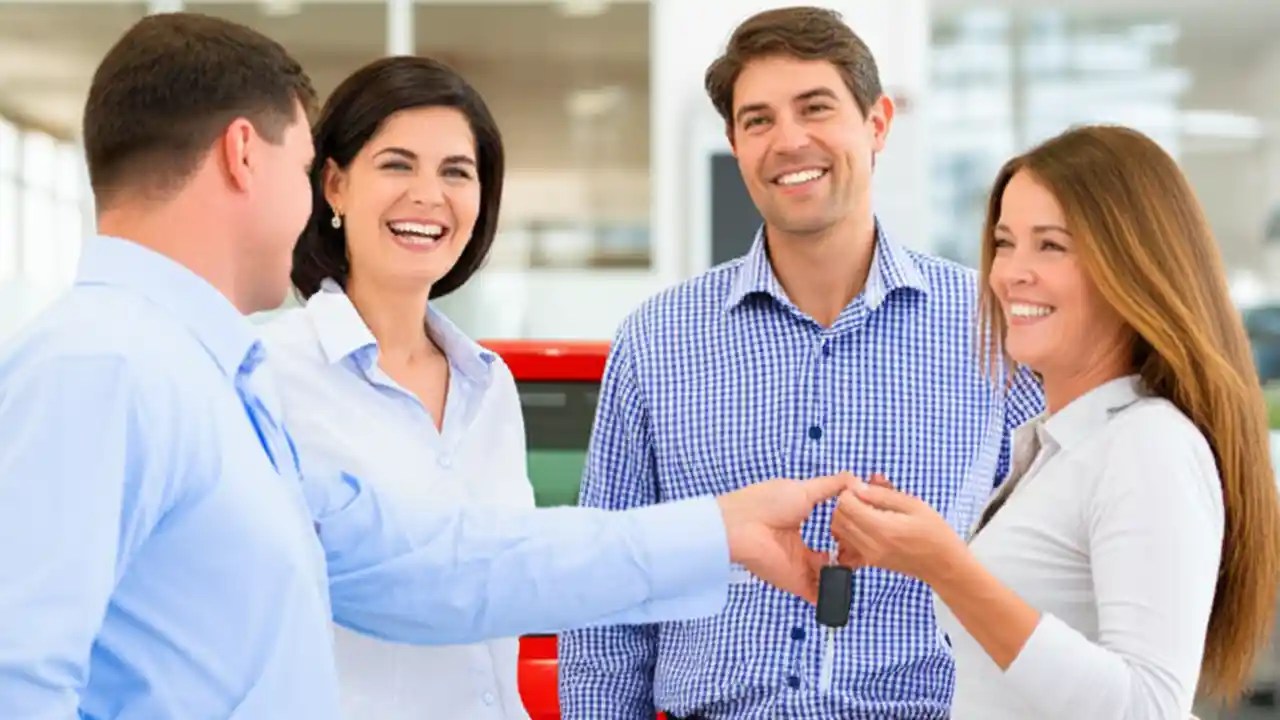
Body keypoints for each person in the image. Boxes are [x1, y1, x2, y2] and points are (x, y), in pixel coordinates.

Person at [0, 13, 859, 719]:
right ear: (242, 156)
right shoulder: (100, 366)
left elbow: (440, 564)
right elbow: (18, 678)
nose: (304, 200)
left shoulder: (211, 381)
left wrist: (716, 530)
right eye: (305, 169)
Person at [558, 6, 1044, 719]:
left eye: (815, 108)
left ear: (877, 123)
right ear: (734, 142)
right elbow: (606, 599)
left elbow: (1050, 575)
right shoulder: (657, 341)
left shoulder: (990, 328)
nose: (788, 140)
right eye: (757, 120)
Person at [830, 124, 1280, 719]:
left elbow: (1146, 707)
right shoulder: (1057, 447)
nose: (1010, 272)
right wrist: (922, 556)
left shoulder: (1150, 445)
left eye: (1051, 245)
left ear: (1133, 268)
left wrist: (947, 567)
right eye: (1005, 242)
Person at [260, 55, 542, 718]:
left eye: (456, 172)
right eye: (397, 164)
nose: (429, 194)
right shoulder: (268, 375)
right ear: (334, 185)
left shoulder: (490, 388)